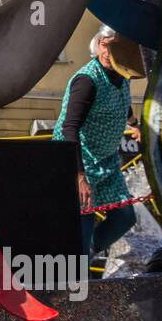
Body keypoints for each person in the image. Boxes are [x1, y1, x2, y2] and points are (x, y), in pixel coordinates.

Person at [53, 27, 136, 262]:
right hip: (79, 162)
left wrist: (134, 124)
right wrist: (79, 176)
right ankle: (76, 283)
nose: (108, 52)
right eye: (104, 45)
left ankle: (87, 253)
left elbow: (124, 102)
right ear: (97, 45)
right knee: (83, 225)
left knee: (125, 216)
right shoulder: (87, 81)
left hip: (106, 161)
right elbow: (70, 128)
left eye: (114, 46)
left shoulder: (123, 73)